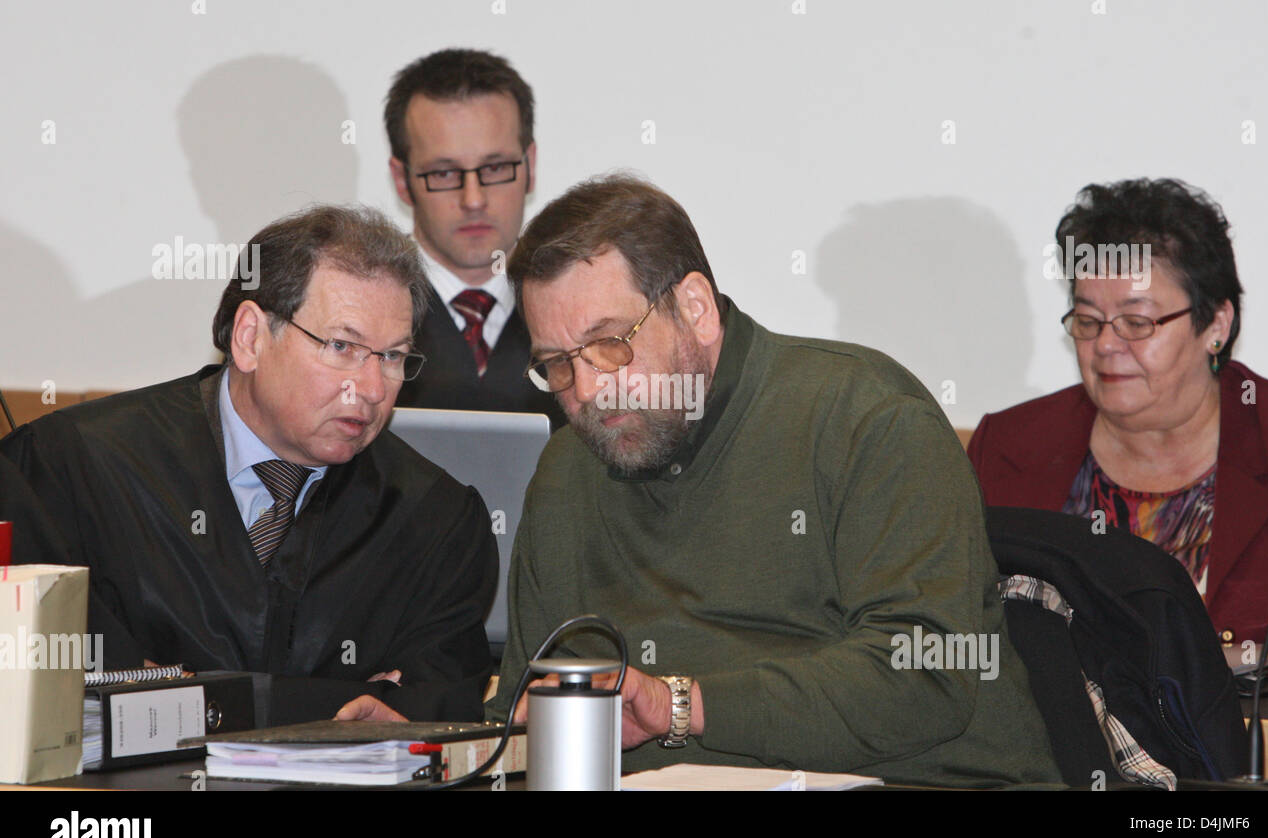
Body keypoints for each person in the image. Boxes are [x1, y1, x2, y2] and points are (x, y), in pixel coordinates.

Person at [342, 175, 1060, 787]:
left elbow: (926, 678)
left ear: (695, 307)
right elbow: (533, 713)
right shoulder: (569, 472)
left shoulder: (862, 417)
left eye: (609, 343)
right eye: (557, 364)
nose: (587, 389)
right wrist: (430, 736)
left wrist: (680, 704)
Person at [0, 205, 497, 721]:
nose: (371, 389)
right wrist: (328, 699)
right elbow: (59, 684)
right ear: (250, 338)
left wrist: (183, 689)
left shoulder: (434, 520)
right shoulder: (72, 469)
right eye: (343, 346)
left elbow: (433, 707)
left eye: (392, 357)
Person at [968, 178, 1268, 644]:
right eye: (1088, 320)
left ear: (1216, 325)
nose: (1105, 344)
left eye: (1136, 322)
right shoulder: (1007, 447)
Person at [385, 48, 564, 428]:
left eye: (496, 167)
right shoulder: (362, 313)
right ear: (402, 181)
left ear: (530, 166)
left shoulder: (582, 310)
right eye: (444, 173)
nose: (473, 200)